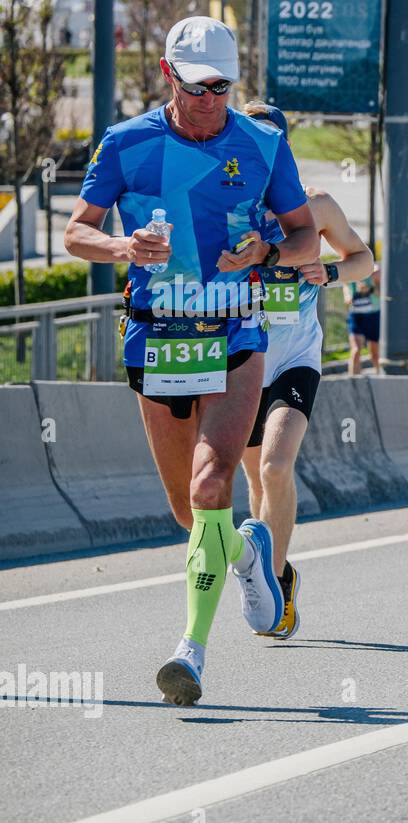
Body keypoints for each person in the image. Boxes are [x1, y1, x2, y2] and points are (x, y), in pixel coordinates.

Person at [63, 16, 318, 705]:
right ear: (169, 77)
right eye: (199, 86)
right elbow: (75, 232)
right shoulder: (126, 143)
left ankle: (191, 652)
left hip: (235, 336)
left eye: (223, 87)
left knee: (213, 487)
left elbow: (306, 241)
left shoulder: (263, 143)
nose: (212, 100)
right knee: (190, 512)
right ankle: (248, 552)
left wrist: (266, 253)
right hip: (155, 335)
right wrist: (121, 249)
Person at [240, 103, 376, 639]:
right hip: (245, 359)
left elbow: (365, 258)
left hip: (296, 357)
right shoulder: (233, 208)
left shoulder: (315, 204)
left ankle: (270, 581)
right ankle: (279, 575)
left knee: (275, 467)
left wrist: (332, 271)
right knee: (255, 479)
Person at [344, 269, 381, 375]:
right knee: (355, 351)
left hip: (373, 315)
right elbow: (346, 298)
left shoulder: (374, 272)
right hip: (356, 316)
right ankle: (353, 383)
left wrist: (369, 289)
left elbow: (381, 293)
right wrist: (351, 295)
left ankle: (379, 376)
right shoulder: (349, 274)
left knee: (374, 353)